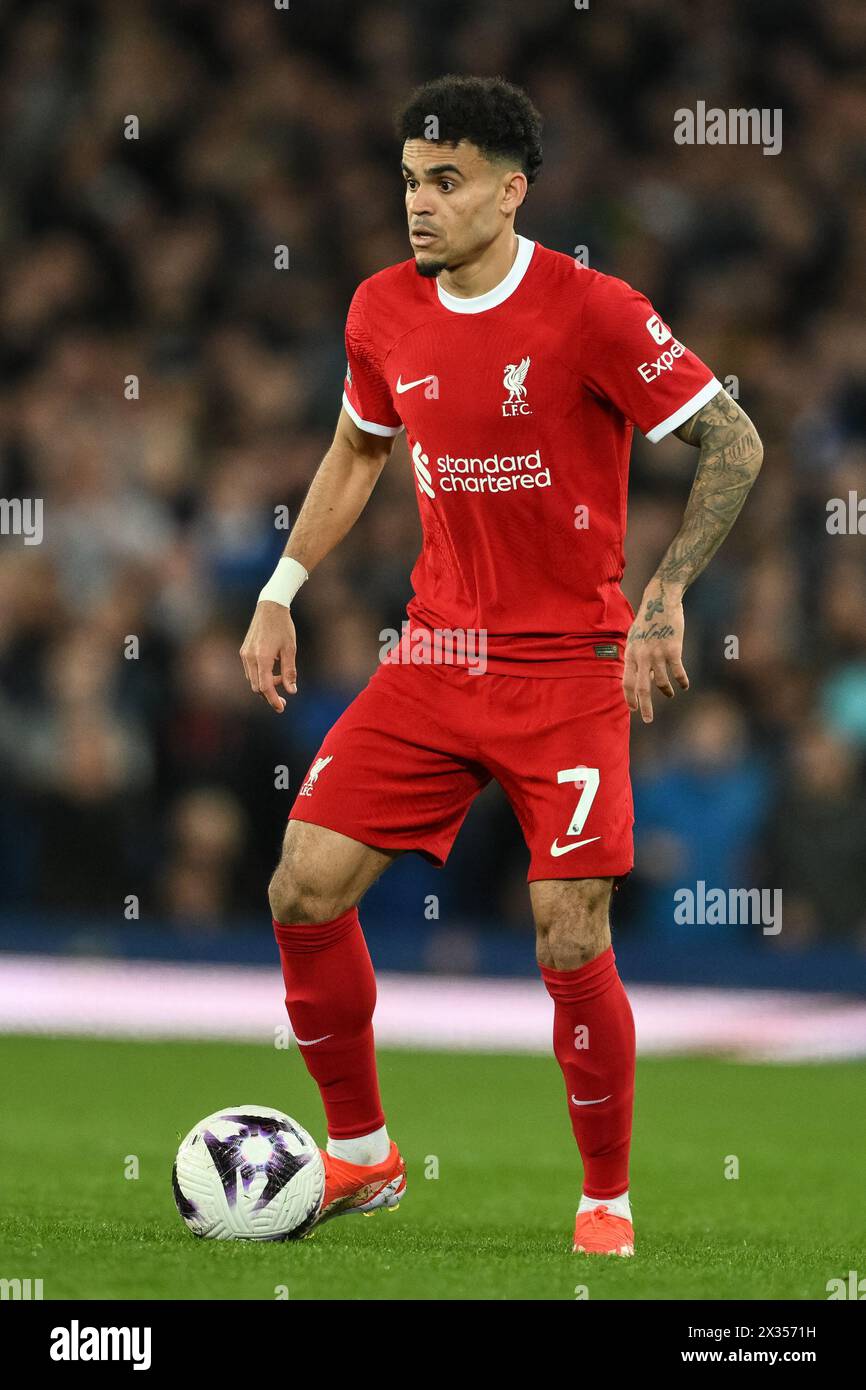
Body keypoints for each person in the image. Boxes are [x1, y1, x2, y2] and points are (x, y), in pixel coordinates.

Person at [239, 75, 763, 1255]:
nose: (418, 205)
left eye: (447, 181)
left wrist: (667, 590)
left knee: (568, 935)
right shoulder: (381, 309)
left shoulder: (593, 311)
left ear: (510, 191)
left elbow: (731, 437)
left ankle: (604, 1201)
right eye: (410, 180)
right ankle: (362, 1154)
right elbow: (354, 451)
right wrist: (280, 591)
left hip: (568, 669)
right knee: (300, 888)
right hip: (435, 653)